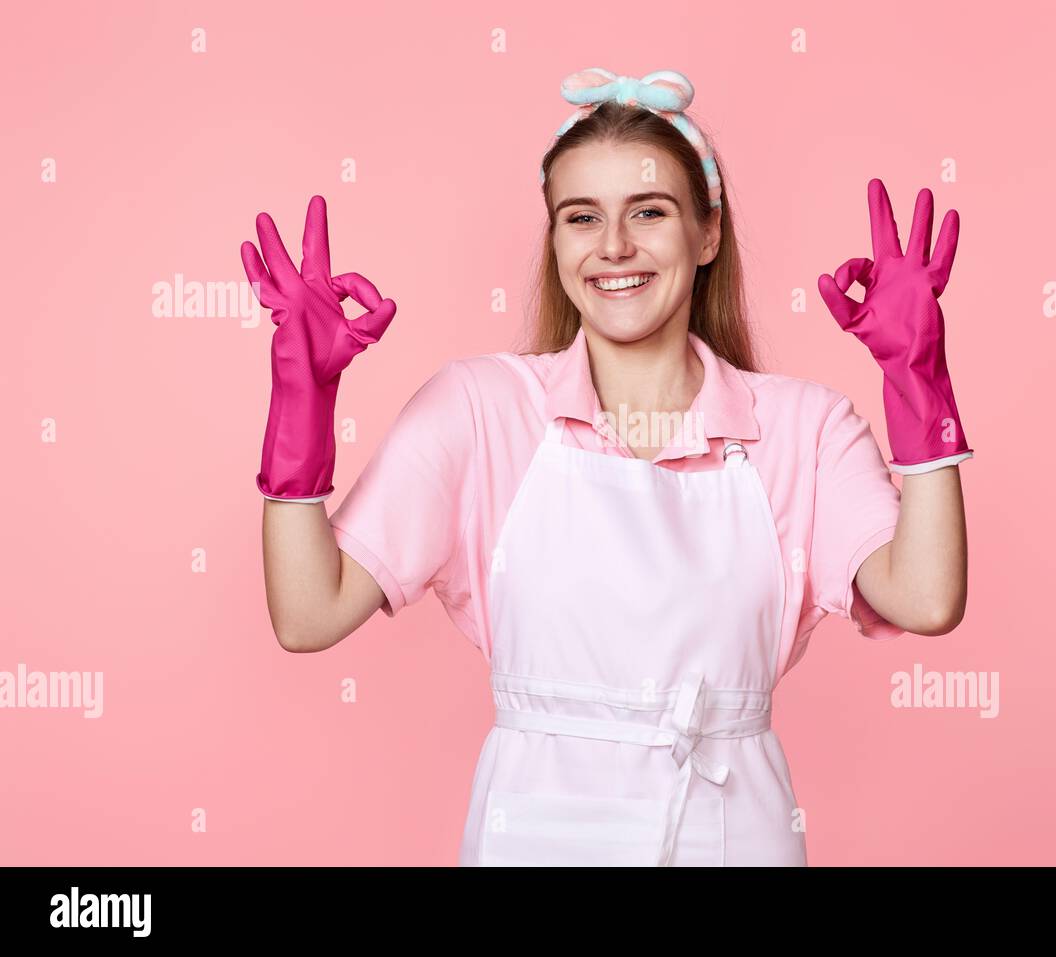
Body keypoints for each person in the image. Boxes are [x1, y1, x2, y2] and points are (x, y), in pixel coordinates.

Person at [245, 67, 972, 867]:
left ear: (708, 232)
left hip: (732, 836)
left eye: (649, 213)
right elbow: (309, 614)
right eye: (581, 217)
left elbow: (927, 597)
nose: (613, 247)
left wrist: (919, 386)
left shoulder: (802, 426)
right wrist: (301, 407)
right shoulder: (481, 410)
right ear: (554, 238)